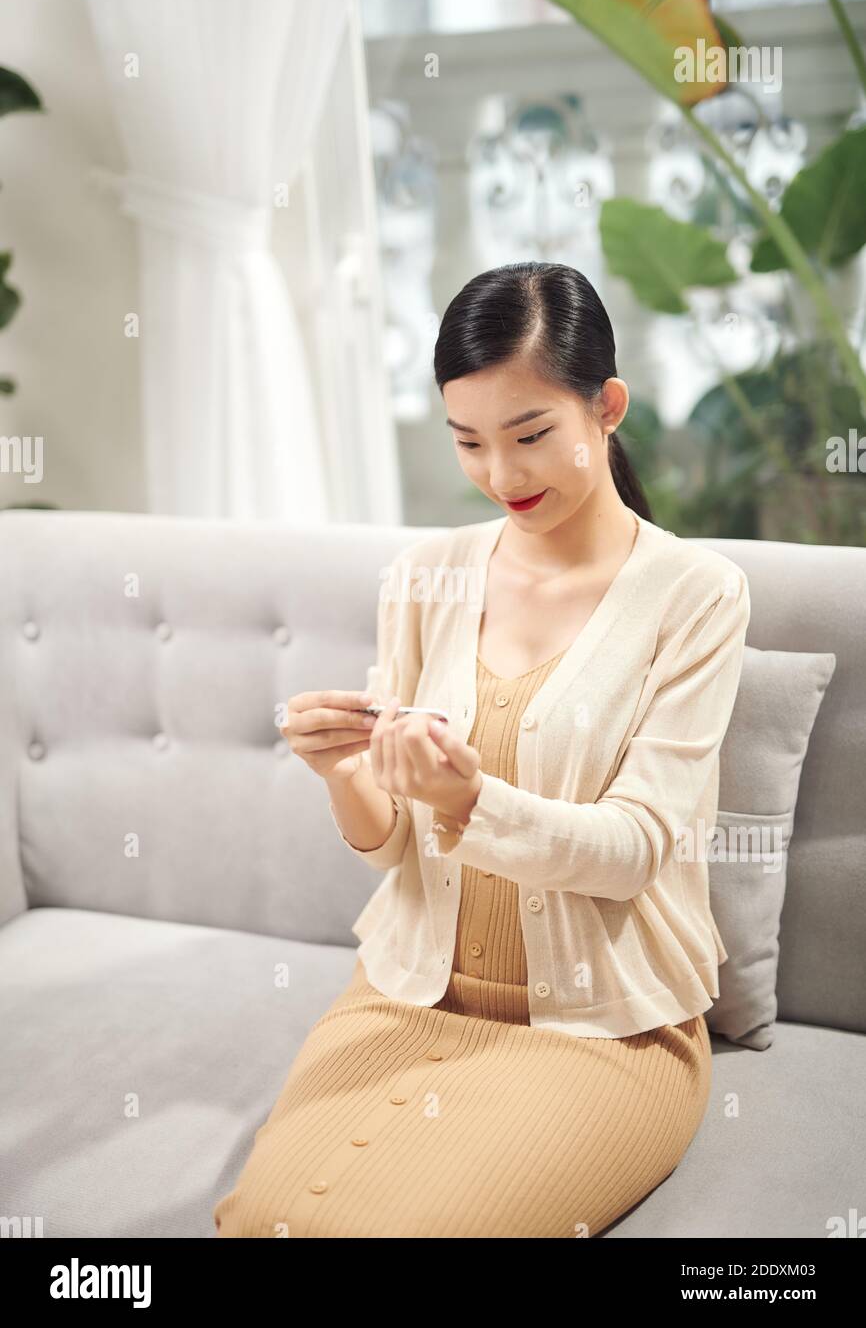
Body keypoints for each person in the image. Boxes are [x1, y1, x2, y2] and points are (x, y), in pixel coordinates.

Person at [213, 261, 749, 1238]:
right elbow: (388, 848)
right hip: (407, 988)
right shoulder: (423, 577)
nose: (501, 476)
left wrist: (472, 805)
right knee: (263, 1222)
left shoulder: (695, 594)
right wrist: (344, 771)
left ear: (605, 407)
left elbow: (634, 851)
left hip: (603, 1026)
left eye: (530, 435)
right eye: (468, 442)